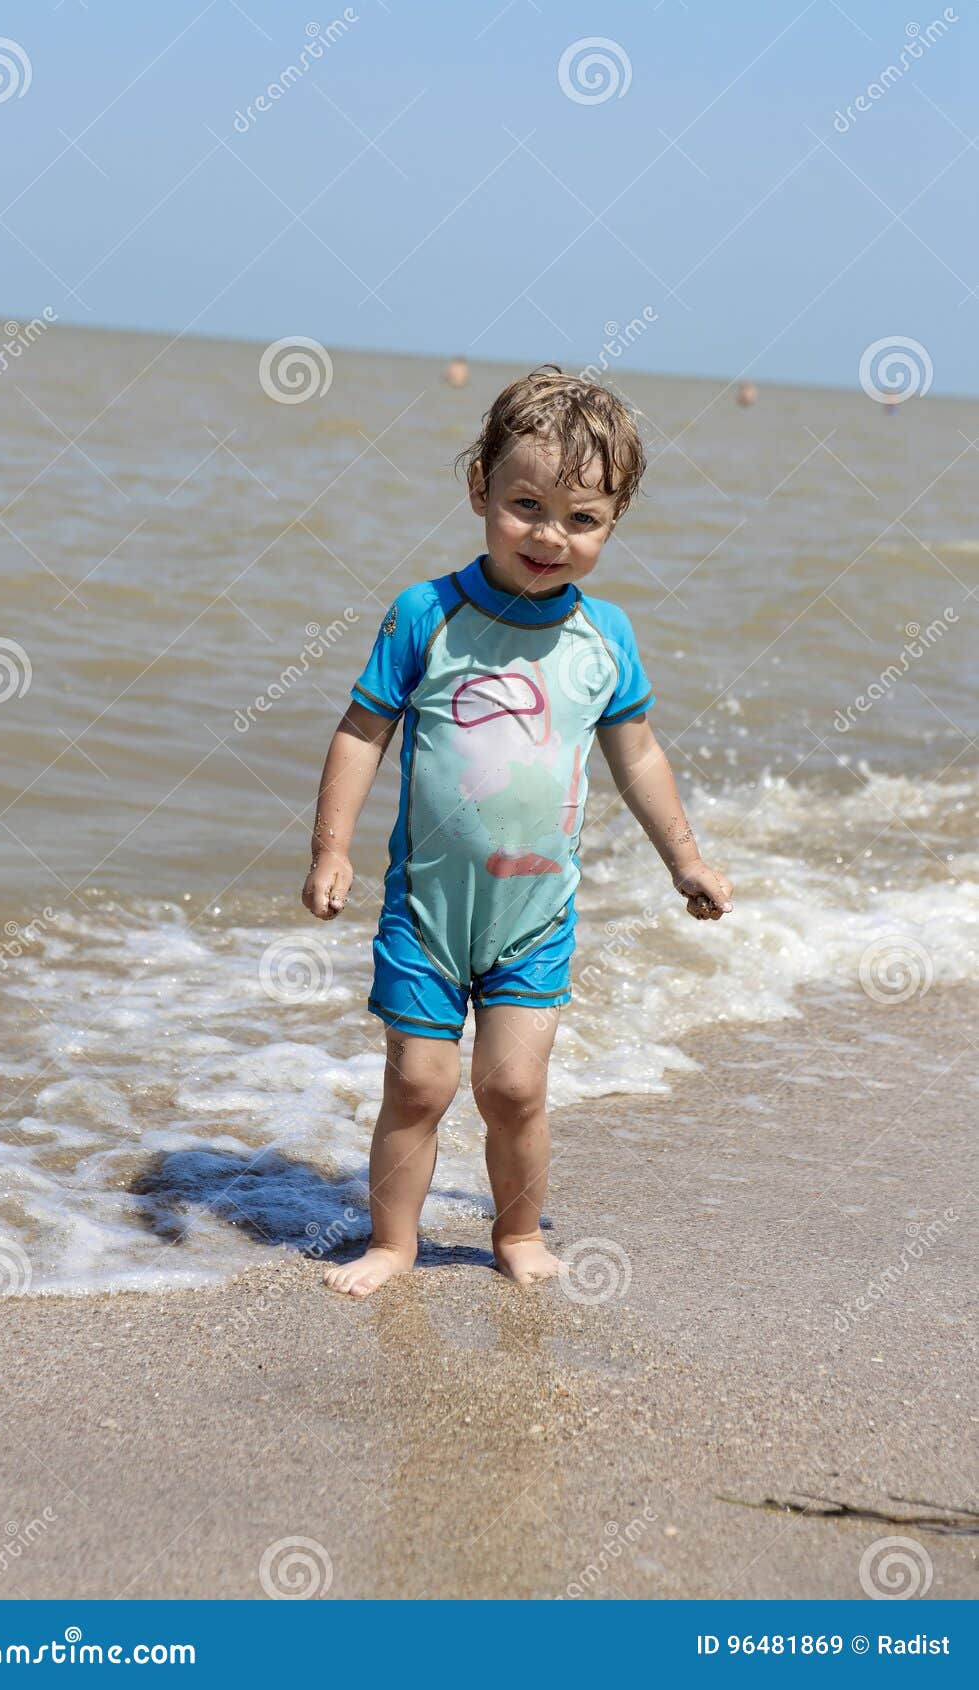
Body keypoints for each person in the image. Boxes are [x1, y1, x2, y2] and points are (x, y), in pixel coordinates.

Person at [302, 366, 733, 1297]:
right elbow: (361, 730)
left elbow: (640, 756)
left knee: (512, 1089)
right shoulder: (427, 613)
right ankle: (392, 1243)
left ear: (612, 523)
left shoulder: (604, 636)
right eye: (526, 505)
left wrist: (684, 858)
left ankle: (518, 1233)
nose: (549, 536)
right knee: (418, 1083)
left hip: (533, 913)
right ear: (479, 490)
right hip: (428, 910)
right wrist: (331, 848)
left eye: (582, 519)